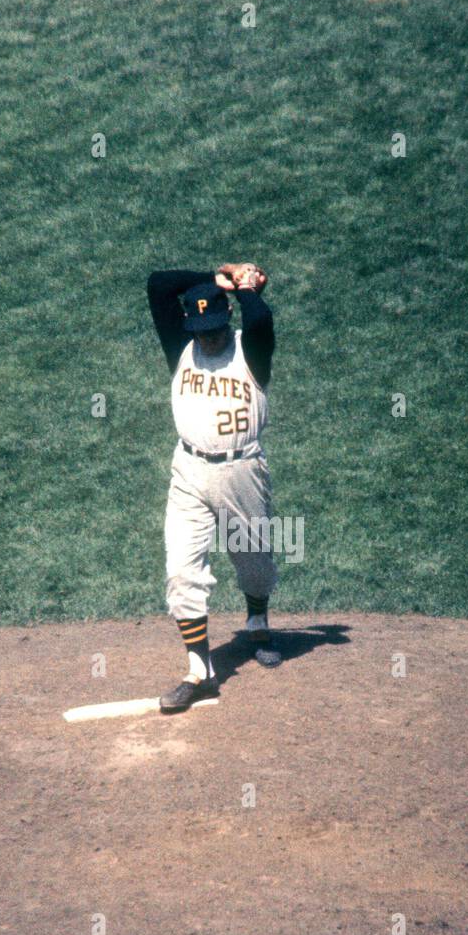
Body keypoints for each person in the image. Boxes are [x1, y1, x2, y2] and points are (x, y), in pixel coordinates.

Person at [146, 262, 281, 713]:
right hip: (187, 472)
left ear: (228, 319)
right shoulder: (181, 346)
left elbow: (259, 318)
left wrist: (245, 288)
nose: (207, 338)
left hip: (242, 471)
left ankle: (257, 621)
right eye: (199, 329)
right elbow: (159, 284)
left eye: (214, 328)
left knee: (255, 563)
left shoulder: (251, 349)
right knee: (181, 571)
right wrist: (215, 274)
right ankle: (199, 672)